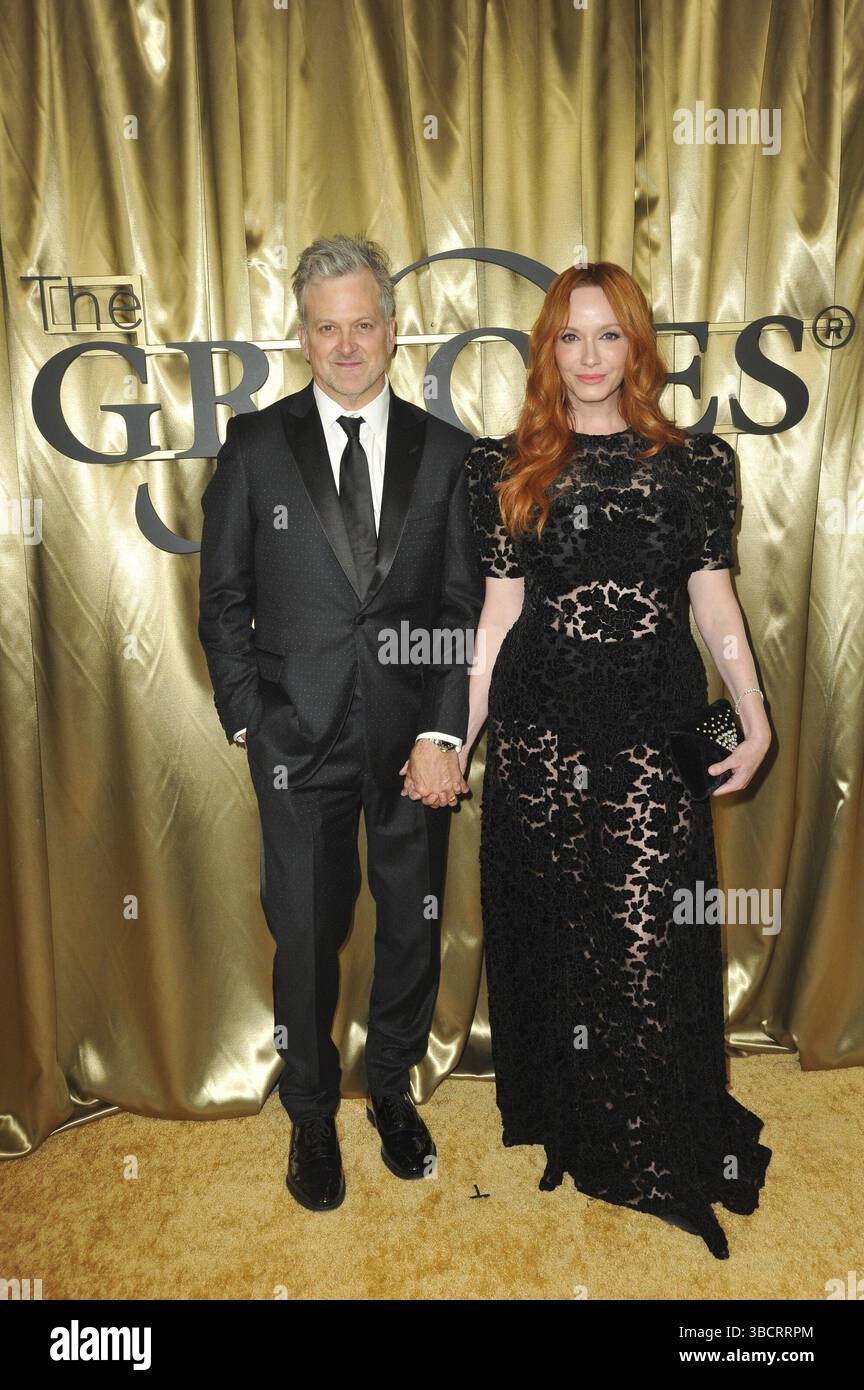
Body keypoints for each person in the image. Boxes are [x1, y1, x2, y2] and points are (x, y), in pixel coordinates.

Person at [457, 262, 773, 1259]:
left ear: (638, 348)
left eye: (609, 337)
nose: (590, 358)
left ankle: (658, 1146)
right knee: (558, 933)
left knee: (651, 935)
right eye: (569, 337)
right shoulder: (503, 466)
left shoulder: (695, 463)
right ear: (547, 350)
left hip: (664, 725)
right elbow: (498, 618)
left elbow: (713, 604)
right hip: (541, 728)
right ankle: (577, 1126)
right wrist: (457, 740)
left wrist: (750, 719)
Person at [198, 235, 483, 1211]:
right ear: (303, 335)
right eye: (328, 326)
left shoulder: (448, 454)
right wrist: (251, 722)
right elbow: (222, 599)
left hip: (414, 745)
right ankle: (311, 1115)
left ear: (393, 331)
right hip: (295, 742)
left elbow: (459, 611)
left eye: (365, 323)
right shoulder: (255, 446)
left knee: (411, 926)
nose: (348, 342)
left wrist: (444, 735)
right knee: (306, 935)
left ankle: (394, 1094)